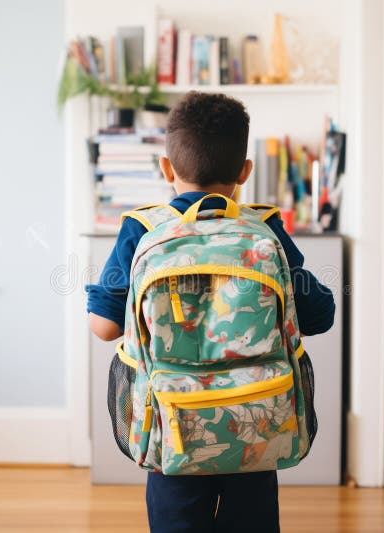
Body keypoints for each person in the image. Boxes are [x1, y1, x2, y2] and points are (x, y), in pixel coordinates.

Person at [87, 91, 335, 533]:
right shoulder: (265, 229)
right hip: (258, 425)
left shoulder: (142, 229)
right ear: (245, 171)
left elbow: (104, 327)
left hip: (171, 428)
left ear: (167, 169)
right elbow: (319, 316)